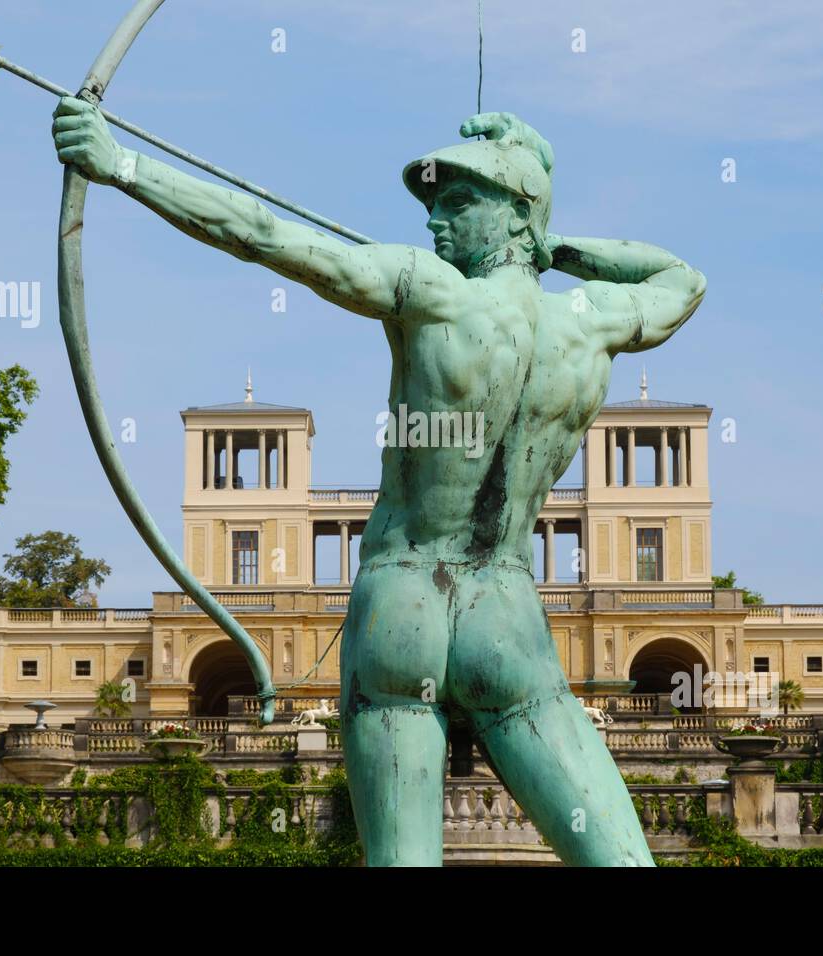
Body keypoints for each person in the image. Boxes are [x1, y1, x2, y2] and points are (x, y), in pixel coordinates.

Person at [53, 101, 705, 865]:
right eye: (432, 206)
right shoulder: (591, 322)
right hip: (506, 615)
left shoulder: (428, 289)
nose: (437, 223)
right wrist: (554, 248)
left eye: (460, 203)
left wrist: (120, 165)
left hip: (404, 601)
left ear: (517, 215)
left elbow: (259, 235)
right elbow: (681, 279)